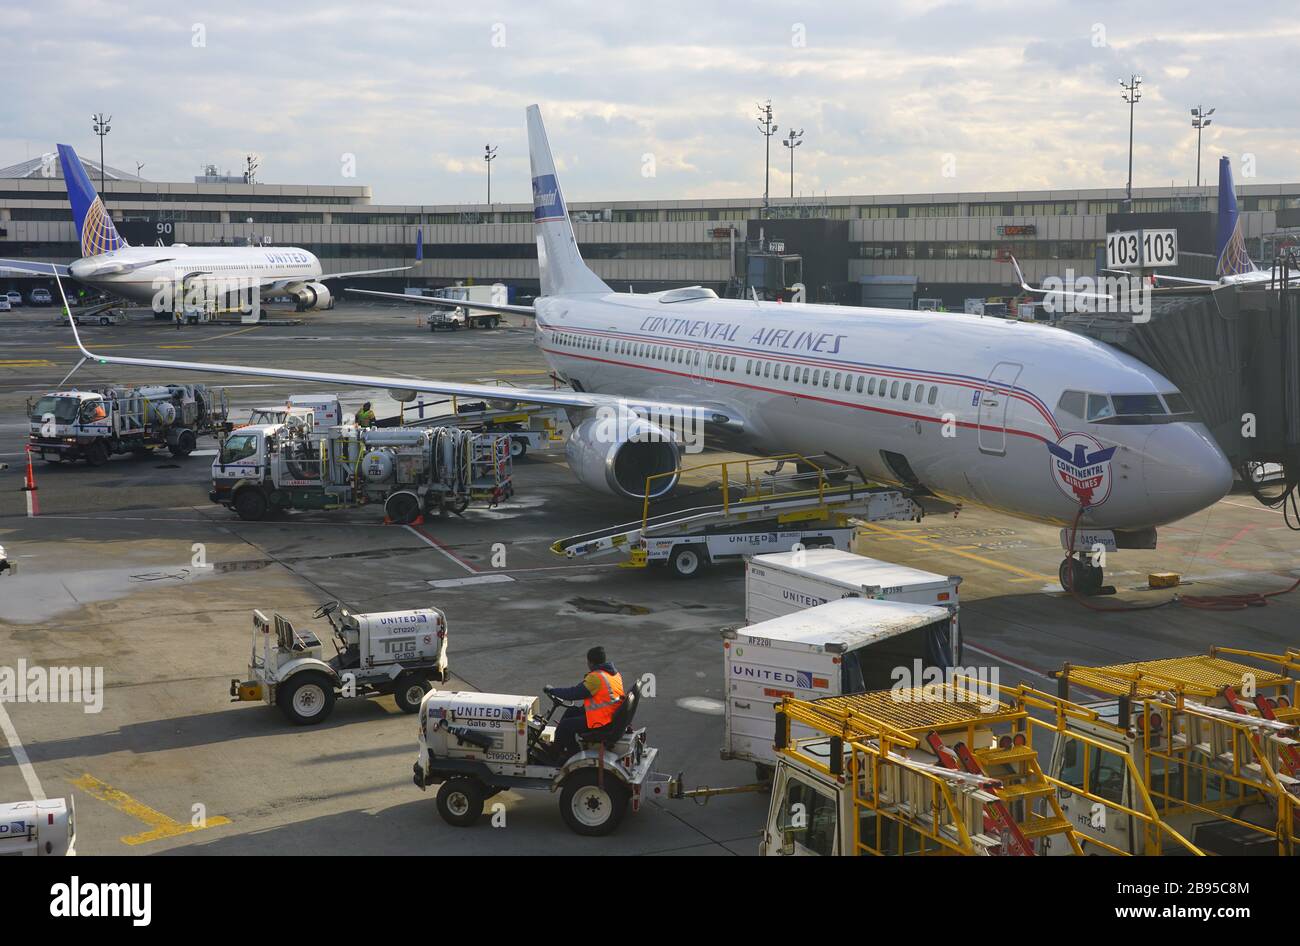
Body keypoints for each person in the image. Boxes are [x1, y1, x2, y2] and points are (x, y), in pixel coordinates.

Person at [544, 646, 624, 762]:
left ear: (590, 662)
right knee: (571, 711)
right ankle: (557, 748)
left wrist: (552, 690)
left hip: (602, 721)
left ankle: (572, 755)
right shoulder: (613, 674)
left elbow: (573, 693)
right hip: (610, 716)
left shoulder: (596, 678)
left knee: (565, 726)